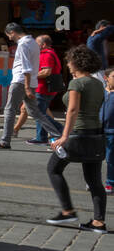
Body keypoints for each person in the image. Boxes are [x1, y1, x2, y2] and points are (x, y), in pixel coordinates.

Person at [45, 45, 107, 233]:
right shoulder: (97, 83)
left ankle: (67, 210)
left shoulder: (77, 84)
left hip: (78, 135)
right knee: (94, 181)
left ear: (76, 62)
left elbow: (73, 110)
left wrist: (64, 136)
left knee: (53, 169)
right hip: (96, 135)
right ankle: (99, 222)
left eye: (69, 61)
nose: (67, 64)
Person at [0, 23, 62, 150]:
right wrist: (29, 85)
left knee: (10, 110)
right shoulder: (33, 42)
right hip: (31, 82)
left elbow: (26, 67)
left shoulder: (23, 44)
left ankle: (5, 141)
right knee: (35, 112)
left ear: (12, 32)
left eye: (8, 34)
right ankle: (58, 135)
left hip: (21, 81)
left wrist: (27, 87)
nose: (8, 37)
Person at [11, 34, 62, 144]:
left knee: (39, 114)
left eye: (37, 43)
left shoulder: (46, 54)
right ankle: (42, 136)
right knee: (40, 112)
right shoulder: (50, 53)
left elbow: (46, 72)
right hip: (46, 89)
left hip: (43, 89)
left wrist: (31, 76)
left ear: (43, 45)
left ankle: (58, 131)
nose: (34, 45)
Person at [102, 70, 114, 196]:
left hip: (112, 132)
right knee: (94, 158)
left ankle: (110, 182)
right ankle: (92, 181)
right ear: (106, 78)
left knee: (110, 159)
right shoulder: (101, 93)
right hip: (98, 131)